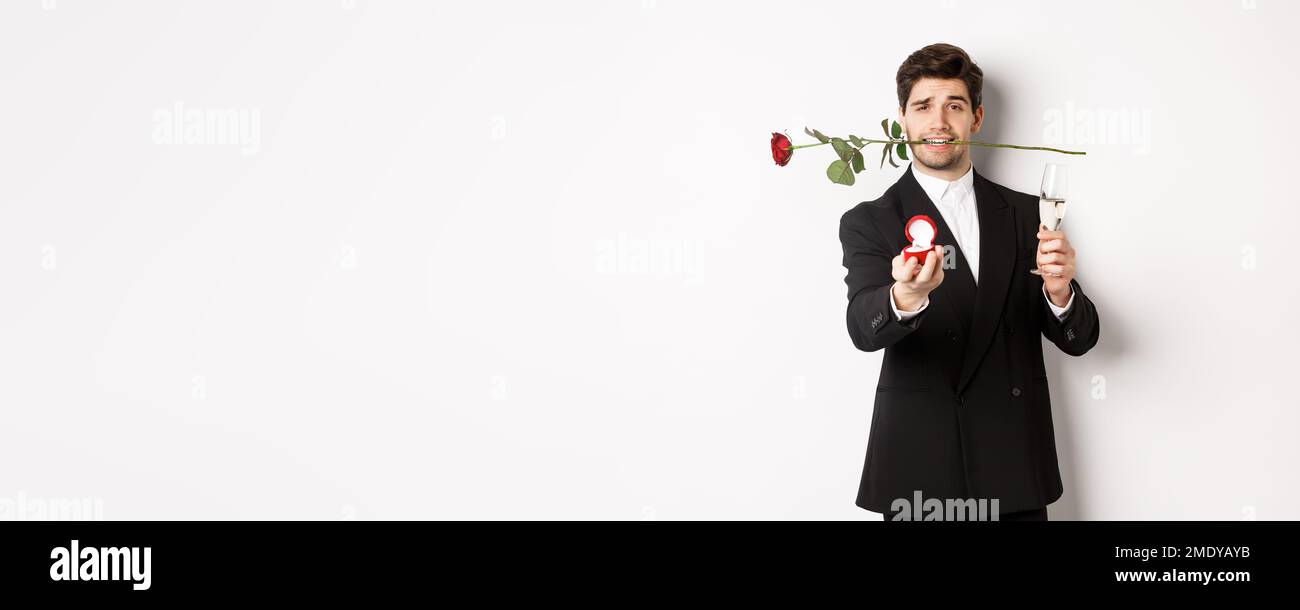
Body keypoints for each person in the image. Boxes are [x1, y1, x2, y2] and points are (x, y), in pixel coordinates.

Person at [839, 43, 1100, 521]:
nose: (938, 121)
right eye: (923, 106)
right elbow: (862, 327)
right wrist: (905, 296)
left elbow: (1079, 339)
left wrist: (1060, 294)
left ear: (976, 118)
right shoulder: (870, 221)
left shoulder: (1026, 214)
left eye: (954, 106)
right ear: (903, 119)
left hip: (1015, 465)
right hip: (920, 473)